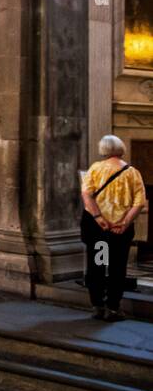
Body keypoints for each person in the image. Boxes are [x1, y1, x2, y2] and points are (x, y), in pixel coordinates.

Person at [80, 135, 146, 321]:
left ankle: (97, 306)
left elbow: (87, 195)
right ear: (121, 149)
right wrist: (125, 223)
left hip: (99, 229)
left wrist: (99, 218)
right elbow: (139, 203)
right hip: (119, 231)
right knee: (117, 267)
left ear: (103, 150)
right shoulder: (132, 172)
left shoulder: (95, 169)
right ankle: (113, 308)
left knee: (99, 263)